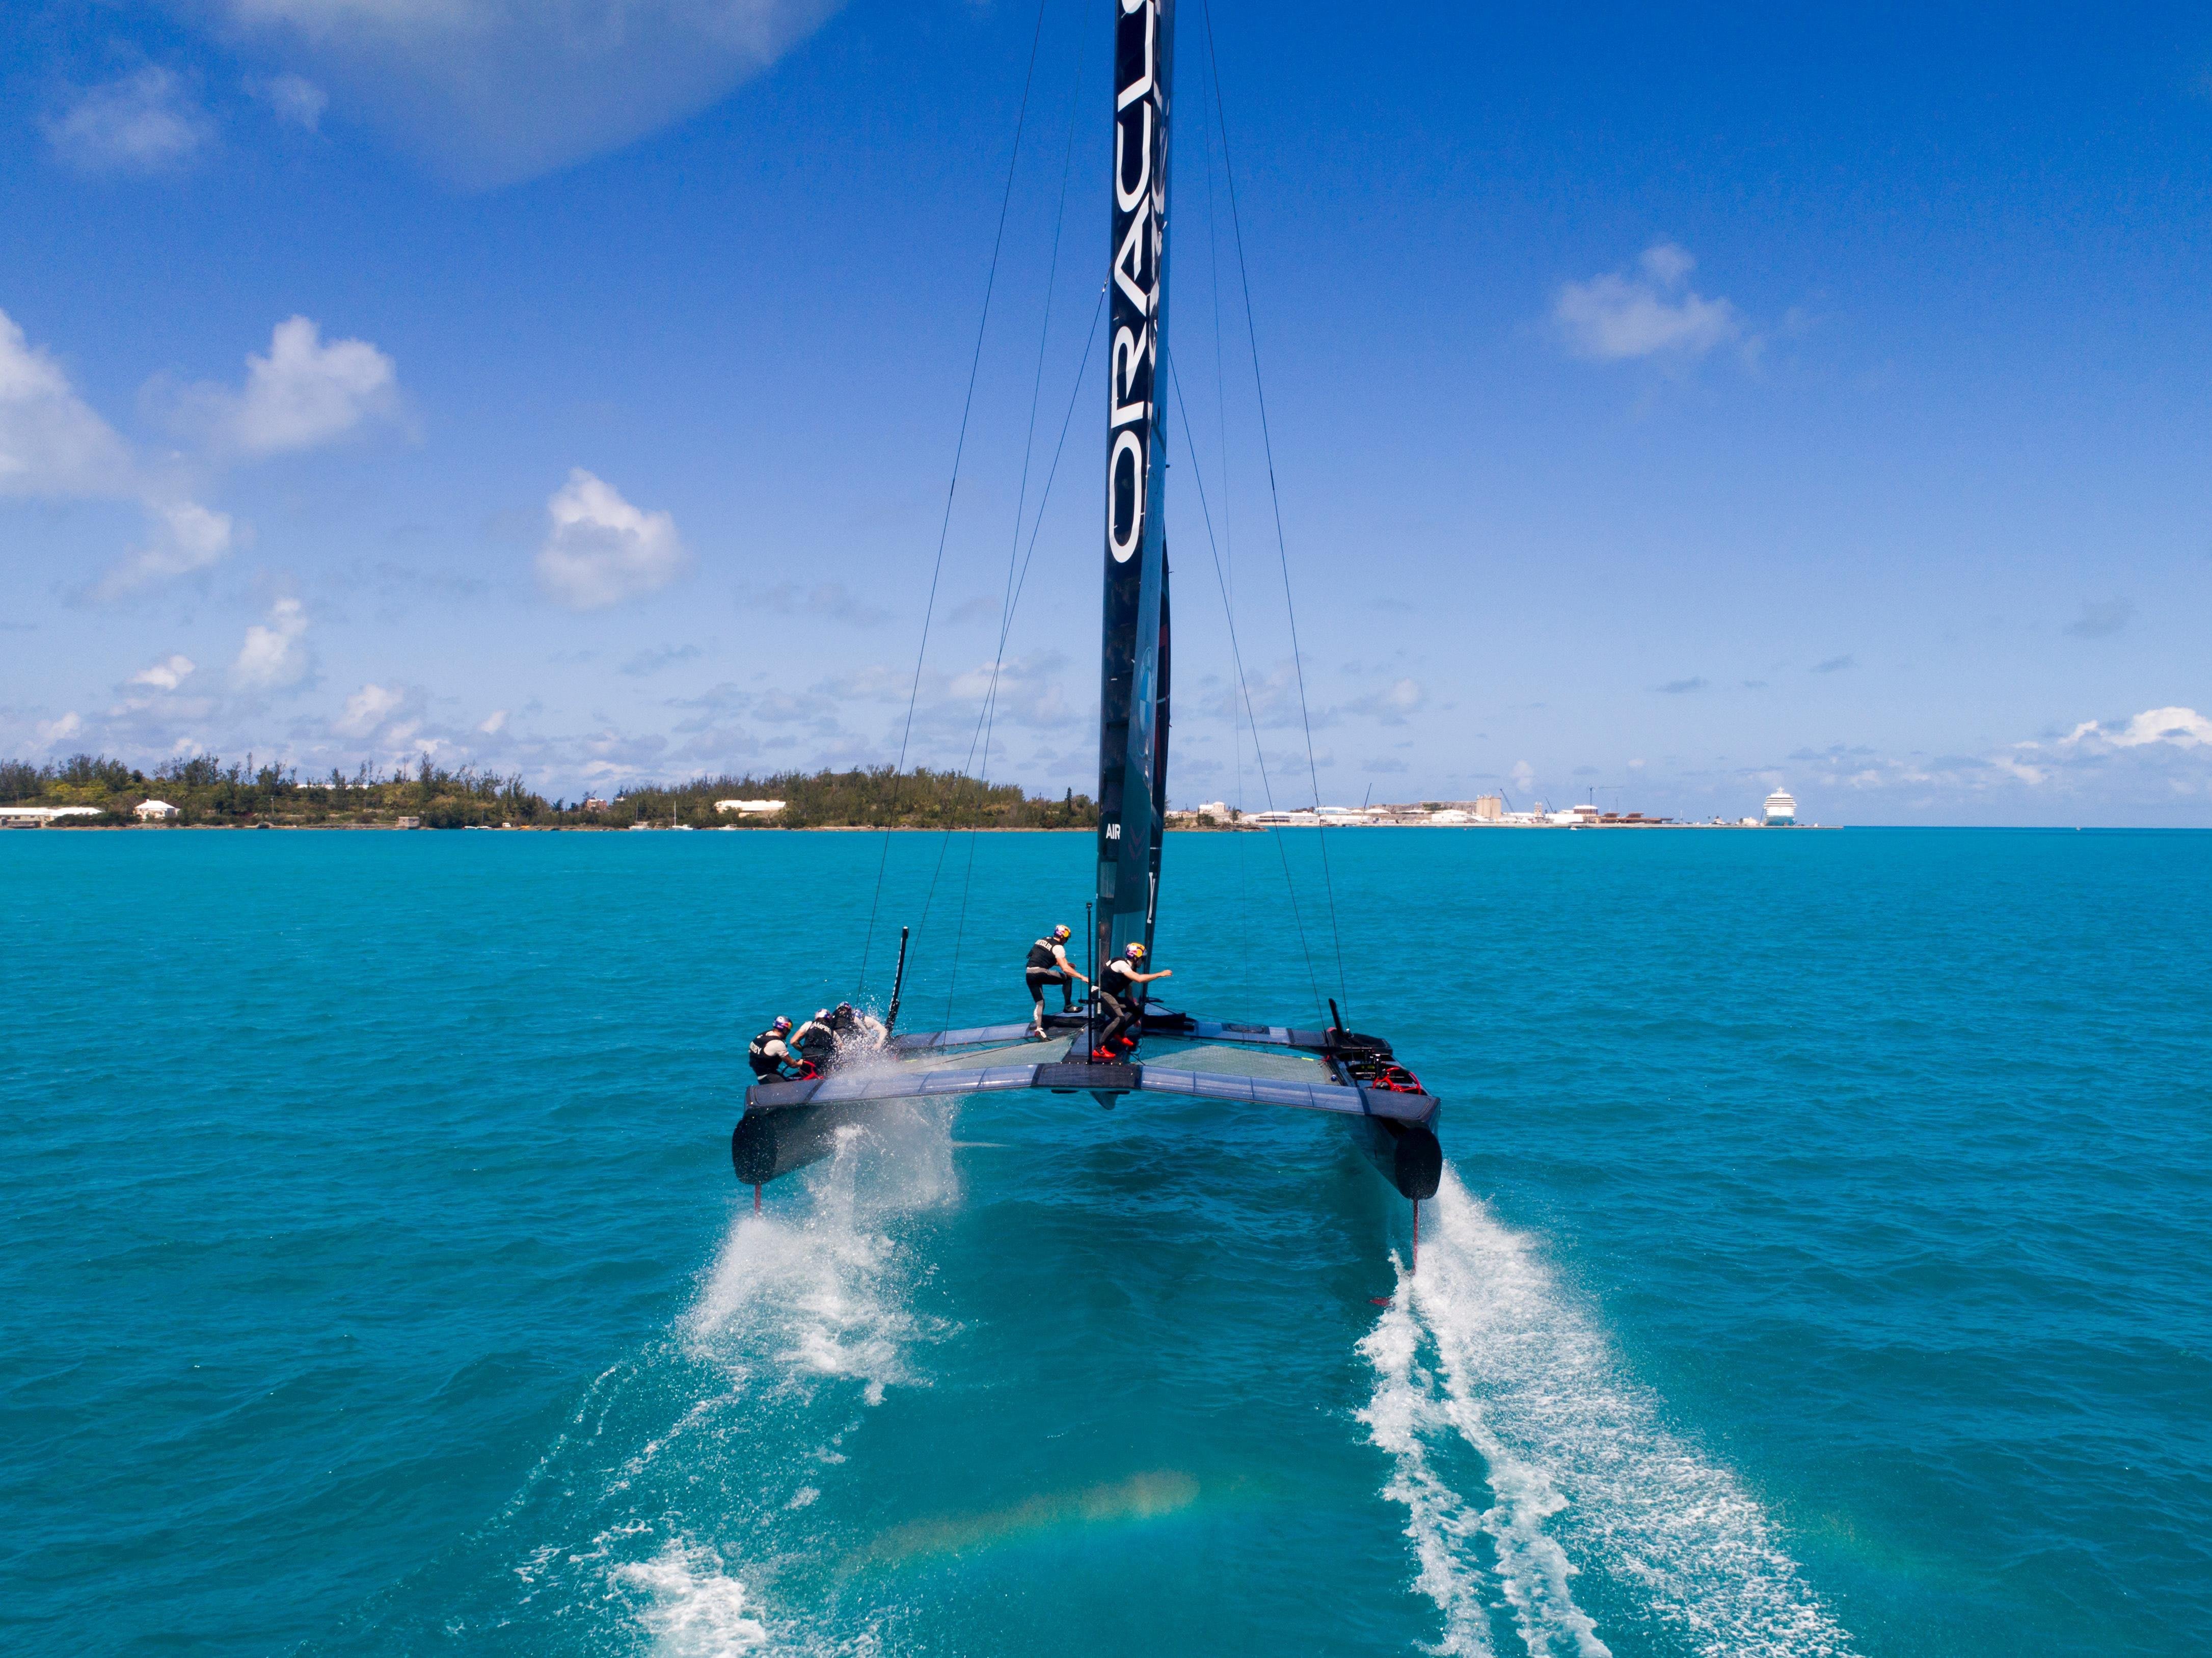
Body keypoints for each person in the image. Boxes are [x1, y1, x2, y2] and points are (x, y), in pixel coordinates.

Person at [1090, 939, 1171, 1059]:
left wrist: (1133, 1012)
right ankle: (1099, 1048)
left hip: (1110, 994)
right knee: (1119, 1018)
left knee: (1138, 1009)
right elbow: (1139, 979)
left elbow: (1129, 990)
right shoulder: (1122, 965)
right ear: (1136, 957)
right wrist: (1160, 974)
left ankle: (1119, 1033)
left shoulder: (1131, 968)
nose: (1143, 962)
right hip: (1100, 993)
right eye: (1142, 959)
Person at [1024, 924, 1088, 1038]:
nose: (1066, 941)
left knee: (1040, 1002)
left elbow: (1044, 958)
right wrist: (1083, 978)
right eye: (1067, 939)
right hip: (1040, 973)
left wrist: (1066, 964)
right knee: (1068, 978)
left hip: (1029, 974)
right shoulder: (1059, 948)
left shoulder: (1042, 940)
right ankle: (1068, 1006)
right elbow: (1066, 970)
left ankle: (1039, 1029)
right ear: (1063, 937)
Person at [748, 1015, 804, 1082]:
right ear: (785, 1030)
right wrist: (802, 1062)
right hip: (768, 1076)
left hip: (759, 1072)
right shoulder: (778, 1044)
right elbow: (793, 1064)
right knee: (792, 1089)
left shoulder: (764, 1035)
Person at [791, 1009, 837, 1073]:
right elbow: (843, 1048)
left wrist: (803, 1051)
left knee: (804, 1074)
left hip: (807, 1059)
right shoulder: (833, 1032)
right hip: (822, 1061)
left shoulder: (809, 1024)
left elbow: (793, 1042)